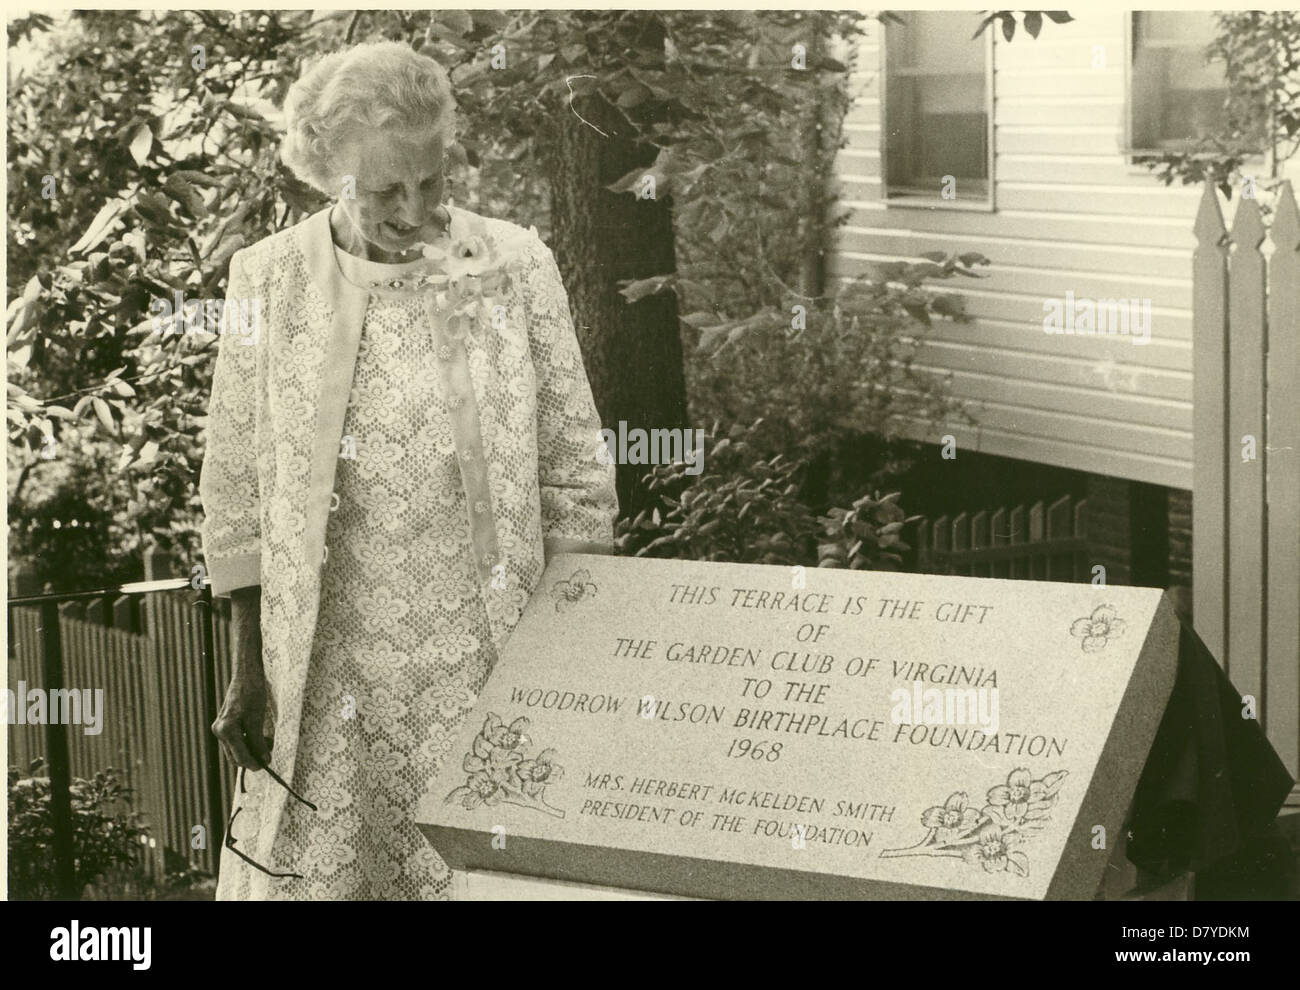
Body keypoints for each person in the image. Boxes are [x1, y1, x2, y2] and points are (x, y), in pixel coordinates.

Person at [199, 39, 618, 899]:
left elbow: (577, 471)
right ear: (325, 171)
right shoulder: (267, 281)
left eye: (433, 182)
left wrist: (571, 668)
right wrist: (250, 667)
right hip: (326, 665)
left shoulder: (516, 266)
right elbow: (236, 484)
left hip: (487, 653)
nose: (416, 208)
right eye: (385, 190)